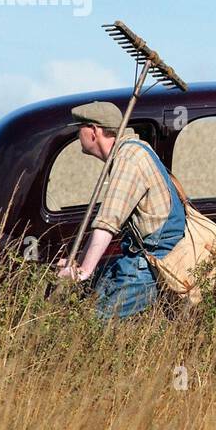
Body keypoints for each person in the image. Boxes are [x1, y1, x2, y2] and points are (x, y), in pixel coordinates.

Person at [55, 101, 185, 319]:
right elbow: (104, 221)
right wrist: (77, 262)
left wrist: (83, 272)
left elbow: (107, 222)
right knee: (93, 303)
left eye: (80, 128)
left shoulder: (128, 160)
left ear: (94, 131)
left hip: (153, 262)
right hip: (147, 256)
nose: (79, 134)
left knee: (93, 325)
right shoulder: (133, 151)